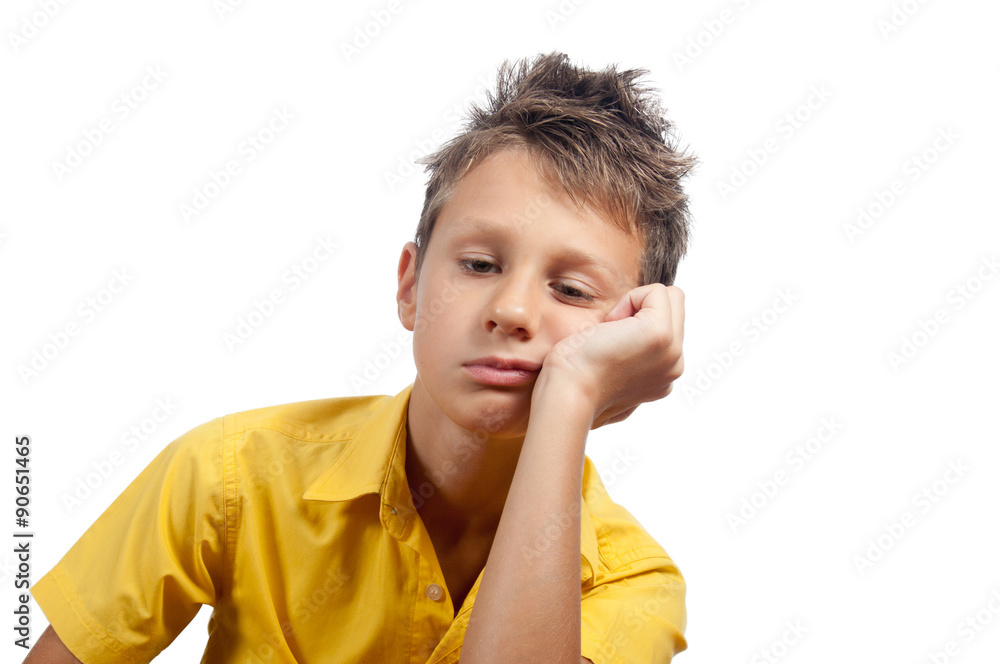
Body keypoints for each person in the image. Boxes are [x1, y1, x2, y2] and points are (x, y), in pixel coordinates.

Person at [25, 51, 696, 664]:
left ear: (633, 332)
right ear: (410, 287)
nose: (512, 310)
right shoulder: (229, 476)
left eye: (571, 289)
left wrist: (570, 396)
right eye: (480, 264)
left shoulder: (634, 583)